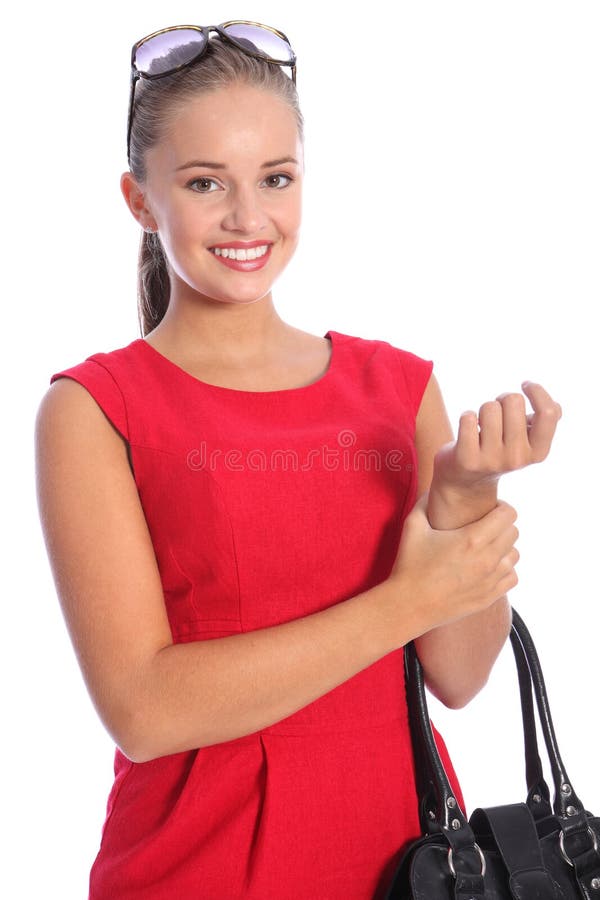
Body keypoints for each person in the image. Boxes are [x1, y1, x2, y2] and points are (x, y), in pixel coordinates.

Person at [34, 21, 561, 900]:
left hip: (412, 870)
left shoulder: (399, 389)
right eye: (206, 183)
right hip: (196, 871)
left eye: (275, 179)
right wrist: (409, 599)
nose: (249, 219)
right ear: (139, 199)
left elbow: (460, 679)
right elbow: (145, 710)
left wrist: (466, 496)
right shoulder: (94, 410)